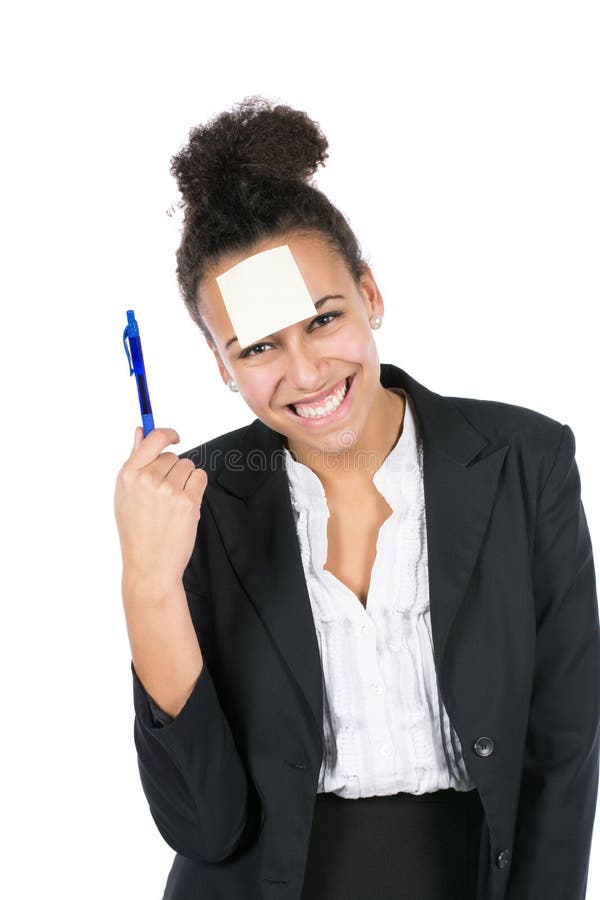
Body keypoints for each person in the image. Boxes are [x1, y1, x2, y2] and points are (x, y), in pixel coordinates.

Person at [113, 95, 600, 900]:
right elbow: (204, 827)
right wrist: (148, 584)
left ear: (370, 294)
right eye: (258, 346)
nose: (305, 373)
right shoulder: (192, 503)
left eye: (323, 320)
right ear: (221, 365)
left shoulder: (526, 459)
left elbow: (564, 745)